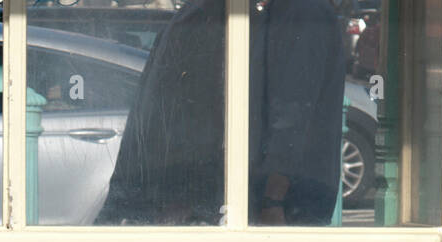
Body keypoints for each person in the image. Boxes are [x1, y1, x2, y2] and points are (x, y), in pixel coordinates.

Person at [97, 0, 346, 226]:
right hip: (212, 197)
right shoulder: (209, 14)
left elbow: (291, 112)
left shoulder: (296, 13)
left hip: (273, 203)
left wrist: (273, 200)